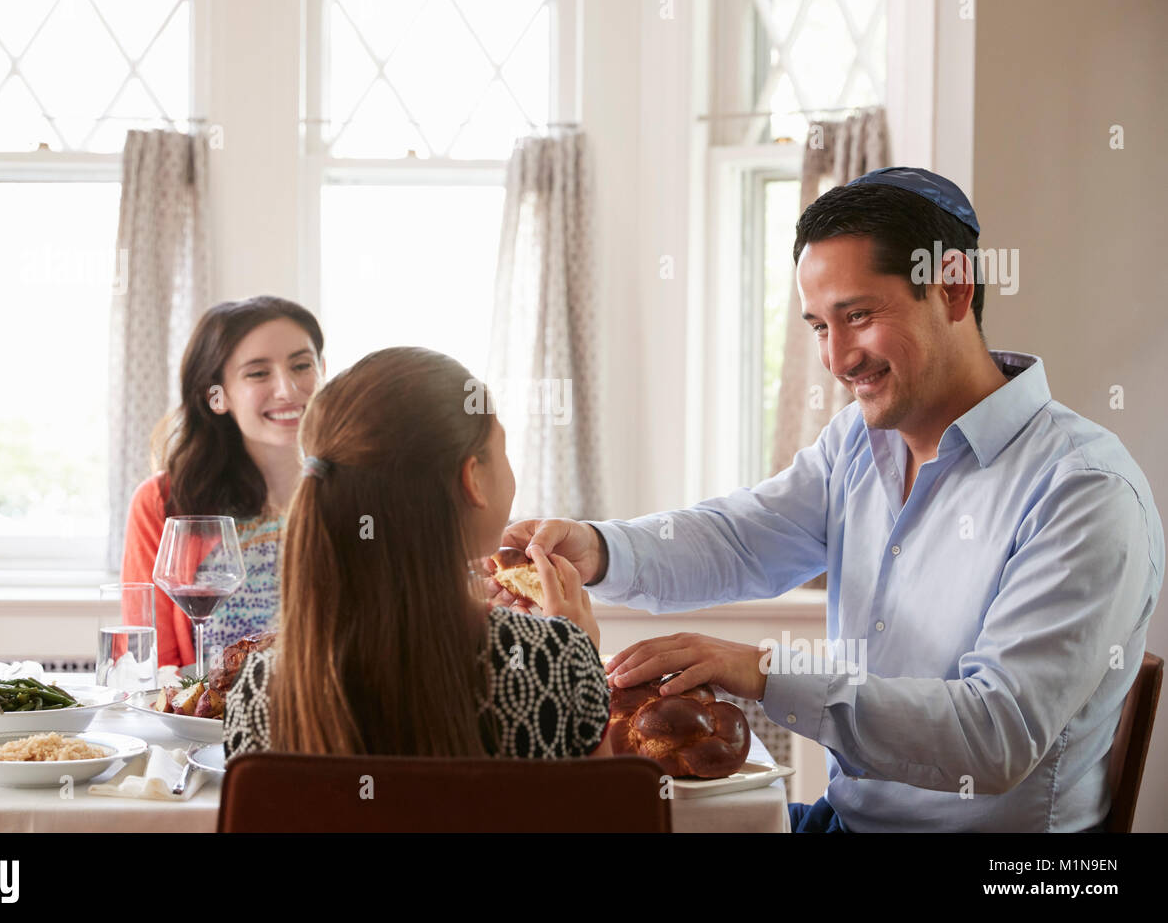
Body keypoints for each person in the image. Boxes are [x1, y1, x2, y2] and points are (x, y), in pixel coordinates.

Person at [489, 167, 1164, 832]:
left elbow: (994, 735)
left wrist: (762, 672)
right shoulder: (860, 442)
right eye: (818, 326)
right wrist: (599, 549)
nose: (838, 358)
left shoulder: (1084, 492)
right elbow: (740, 539)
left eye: (859, 316)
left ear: (953, 288)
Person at [223, 346, 609, 760]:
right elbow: (605, 815)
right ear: (472, 478)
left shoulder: (262, 690)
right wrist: (579, 654)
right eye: (502, 450)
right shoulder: (553, 661)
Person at [121, 296, 326, 669]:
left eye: (301, 365)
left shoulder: (359, 494)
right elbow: (146, 665)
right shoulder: (163, 502)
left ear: (322, 369)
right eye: (258, 373)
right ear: (217, 395)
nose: (288, 389)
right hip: (203, 726)